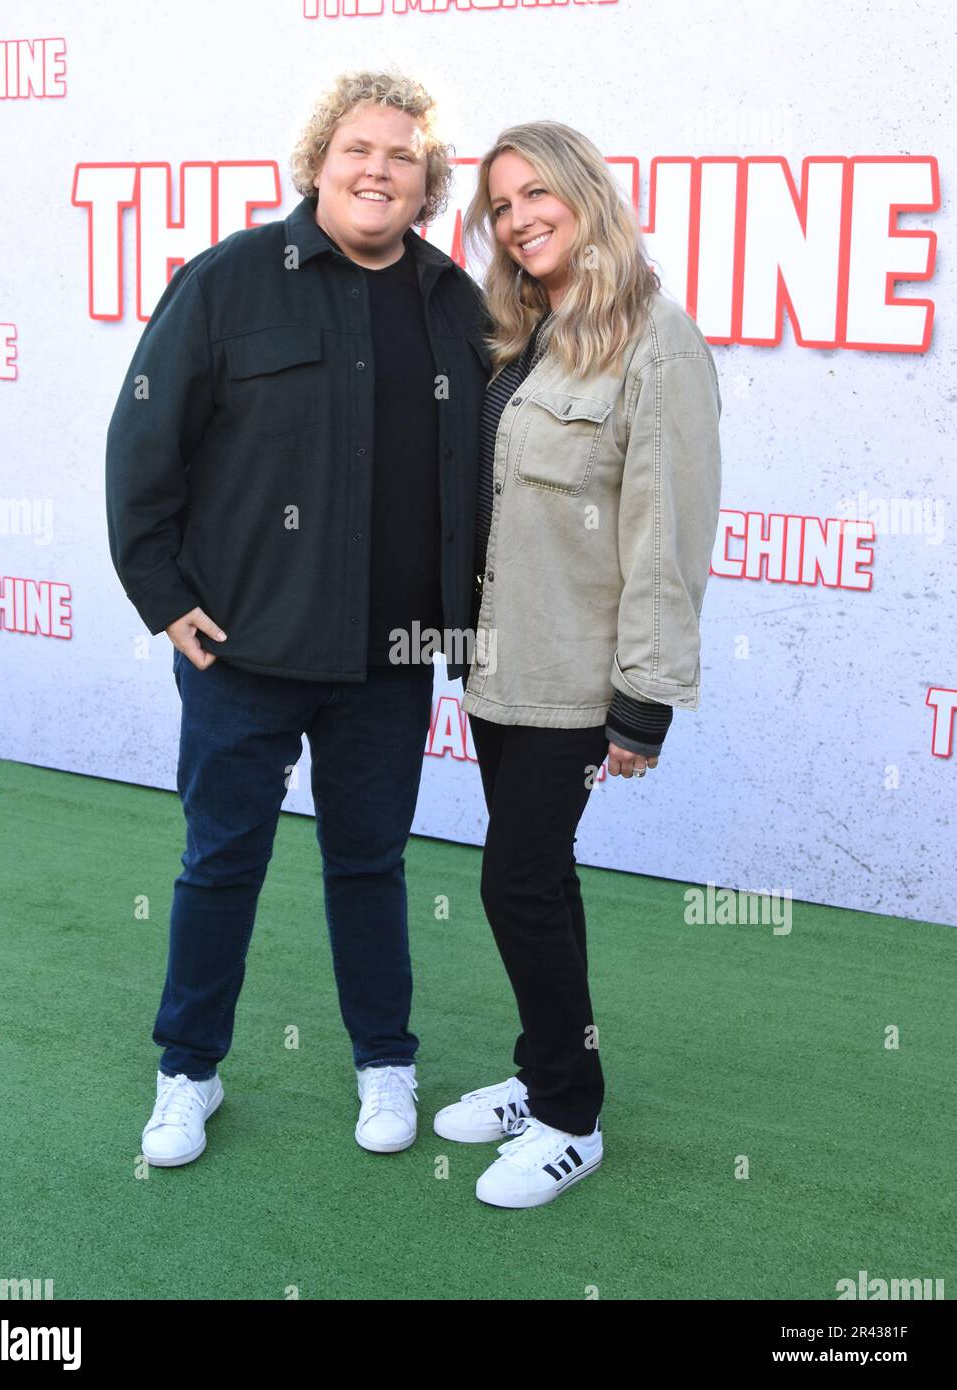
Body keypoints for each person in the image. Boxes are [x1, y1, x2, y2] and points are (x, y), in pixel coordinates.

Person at [105, 70, 490, 1167]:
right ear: (318, 161)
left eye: (402, 156)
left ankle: (385, 1062)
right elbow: (142, 446)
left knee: (369, 861)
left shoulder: (455, 302)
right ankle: (188, 1073)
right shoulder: (227, 281)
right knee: (221, 860)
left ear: (427, 183)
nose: (379, 169)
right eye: (358, 149)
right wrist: (161, 592)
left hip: (392, 652)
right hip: (244, 647)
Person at [431, 122, 723, 1208]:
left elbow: (667, 534)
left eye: (534, 193)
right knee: (541, 879)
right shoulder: (521, 333)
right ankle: (545, 1065)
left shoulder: (657, 342)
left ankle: (567, 1116)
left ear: (585, 194)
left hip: (578, 679)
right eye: (499, 205)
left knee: (513, 882)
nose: (517, 218)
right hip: (501, 669)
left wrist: (643, 702)